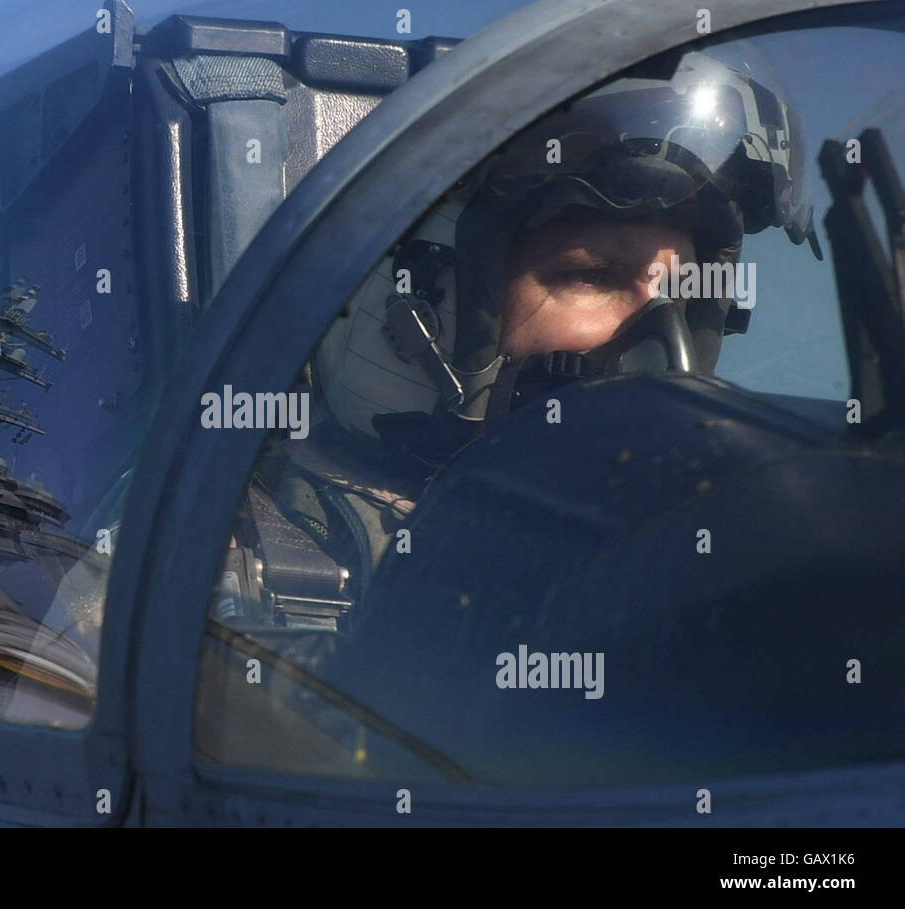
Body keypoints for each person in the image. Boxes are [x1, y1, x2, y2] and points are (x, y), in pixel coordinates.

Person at [214, 42, 823, 629]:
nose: (666, 348)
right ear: (420, 307)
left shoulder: (694, 567)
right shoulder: (231, 572)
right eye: (593, 276)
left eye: (684, 294)